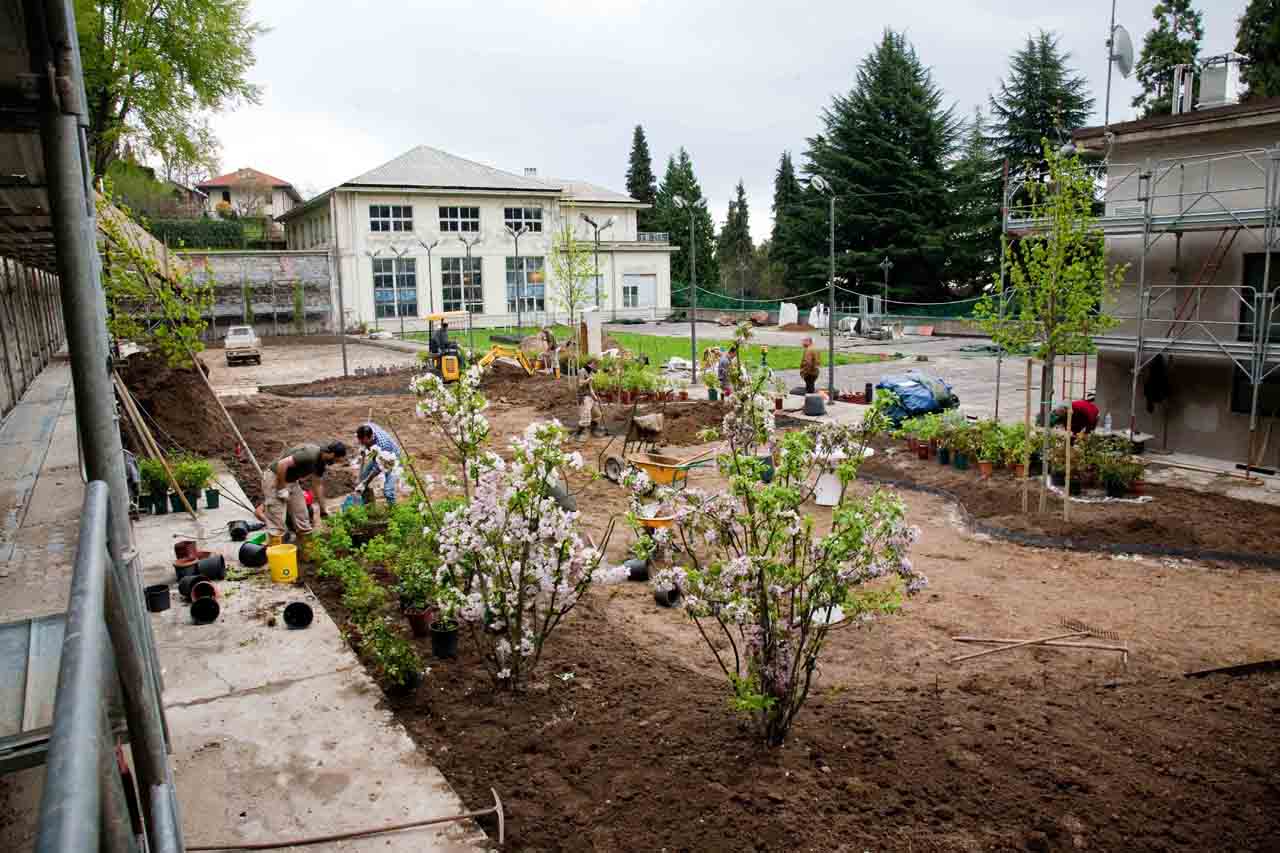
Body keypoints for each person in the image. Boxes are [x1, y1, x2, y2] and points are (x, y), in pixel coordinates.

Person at [257, 441, 347, 540]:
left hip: (292, 481)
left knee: (302, 516)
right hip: (275, 477)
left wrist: (323, 509)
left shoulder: (321, 463)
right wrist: (281, 488)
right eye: (335, 460)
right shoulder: (310, 454)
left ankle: (306, 544)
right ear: (332, 454)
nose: (333, 463)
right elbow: (282, 464)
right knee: (277, 519)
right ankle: (276, 544)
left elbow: (318, 485)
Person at [355, 423, 402, 506]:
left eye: (363, 441)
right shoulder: (367, 427)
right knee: (362, 478)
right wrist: (363, 447)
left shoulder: (384, 446)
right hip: (377, 454)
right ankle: (368, 505)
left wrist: (366, 482)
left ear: (369, 437)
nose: (361, 442)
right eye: (360, 440)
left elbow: (378, 468)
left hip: (391, 460)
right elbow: (366, 426)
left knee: (388, 490)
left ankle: (393, 510)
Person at [574, 362, 605, 440]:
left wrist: (595, 397)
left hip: (590, 397)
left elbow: (590, 388)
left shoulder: (590, 372)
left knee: (597, 414)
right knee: (586, 416)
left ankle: (593, 430)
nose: (596, 368)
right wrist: (588, 379)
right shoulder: (581, 371)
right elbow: (580, 383)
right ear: (591, 364)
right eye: (595, 366)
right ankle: (580, 434)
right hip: (583, 397)